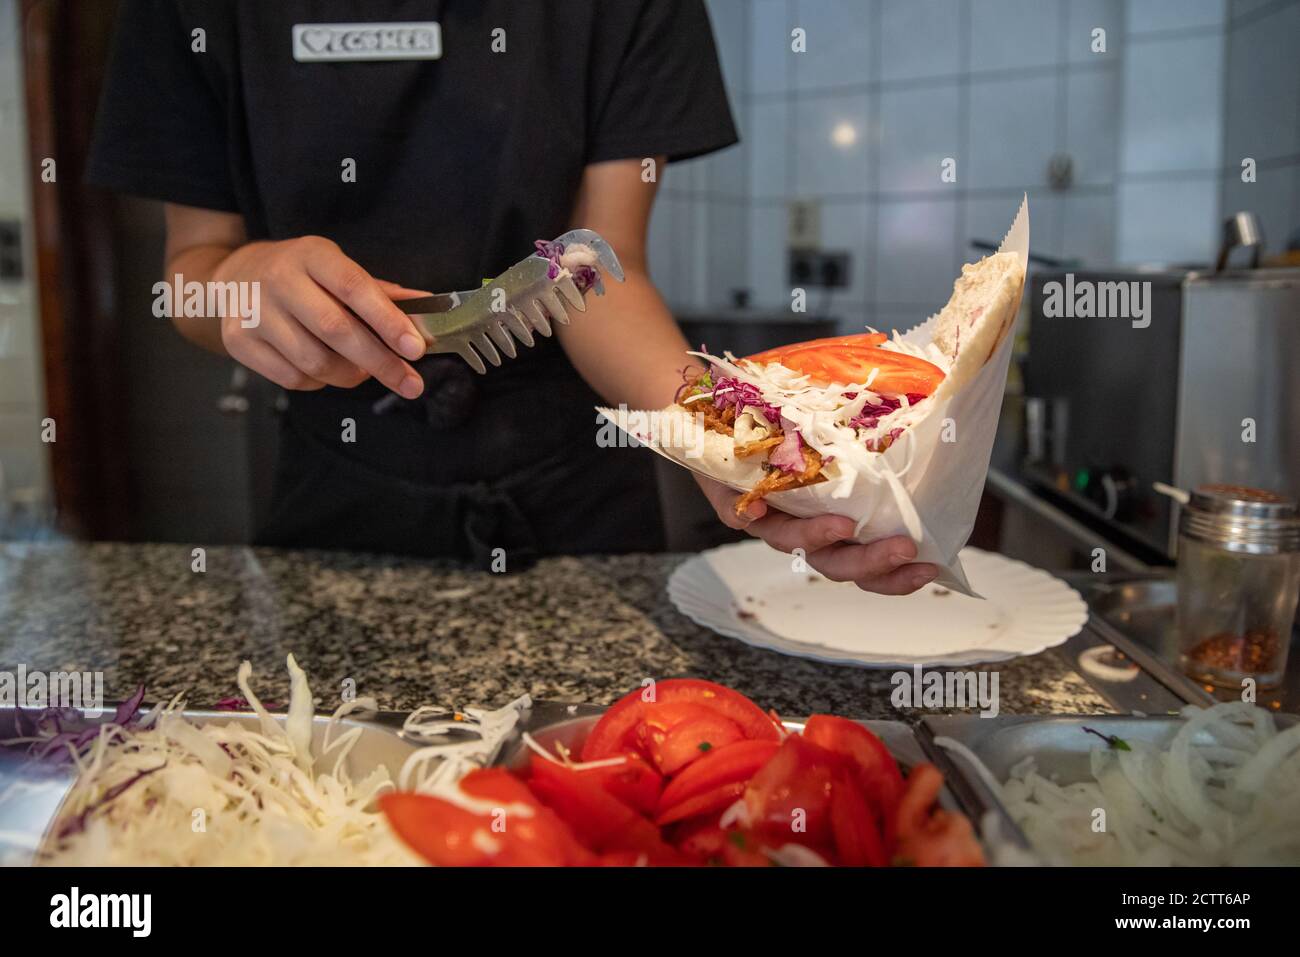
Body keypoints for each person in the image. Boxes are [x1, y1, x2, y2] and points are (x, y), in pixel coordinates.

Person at [88, 0, 936, 595]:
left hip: (579, 497)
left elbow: (600, 273)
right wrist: (242, 285)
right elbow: (190, 272)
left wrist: (721, 435)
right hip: (337, 497)